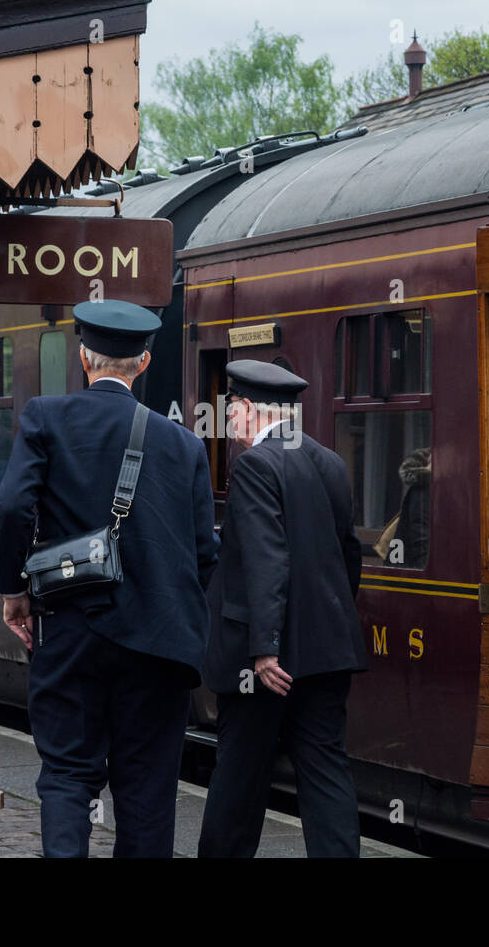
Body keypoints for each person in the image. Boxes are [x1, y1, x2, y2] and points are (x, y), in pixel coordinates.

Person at [0, 300, 218, 858]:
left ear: (83, 356)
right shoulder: (184, 443)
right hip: (161, 644)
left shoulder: (45, 417)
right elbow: (204, 553)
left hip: (73, 632)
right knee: (147, 791)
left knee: (68, 774)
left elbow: (13, 510)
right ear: (142, 364)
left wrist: (14, 590)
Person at [198, 359, 368, 858]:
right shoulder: (329, 461)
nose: (228, 422)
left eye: (230, 411)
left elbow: (266, 560)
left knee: (240, 776)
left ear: (248, 408)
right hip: (327, 653)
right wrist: (326, 622)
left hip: (264, 665)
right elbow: (348, 555)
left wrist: (267, 648)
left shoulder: (255, 465)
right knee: (325, 771)